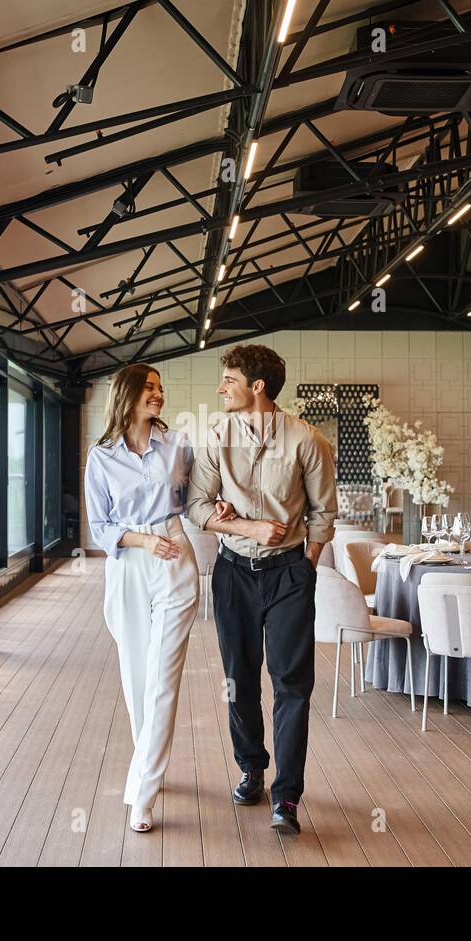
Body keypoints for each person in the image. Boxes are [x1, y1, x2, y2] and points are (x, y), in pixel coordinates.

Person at [186, 345, 337, 835]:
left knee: (292, 684)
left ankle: (287, 795)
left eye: (228, 380)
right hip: (233, 574)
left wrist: (307, 566)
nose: (220, 389)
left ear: (257, 387)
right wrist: (244, 527)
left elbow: (323, 513)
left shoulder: (308, 440)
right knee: (240, 678)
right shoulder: (217, 436)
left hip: (290, 574)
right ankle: (251, 767)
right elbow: (196, 506)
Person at [84, 364, 234, 833]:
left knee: (163, 680)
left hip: (174, 560)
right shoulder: (101, 456)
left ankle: (142, 792)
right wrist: (142, 541)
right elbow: (100, 525)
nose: (159, 394)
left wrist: (218, 504)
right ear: (127, 394)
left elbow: (197, 497)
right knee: (136, 678)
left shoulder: (177, 445)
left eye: (160, 388)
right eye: (149, 387)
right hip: (129, 564)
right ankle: (149, 764)